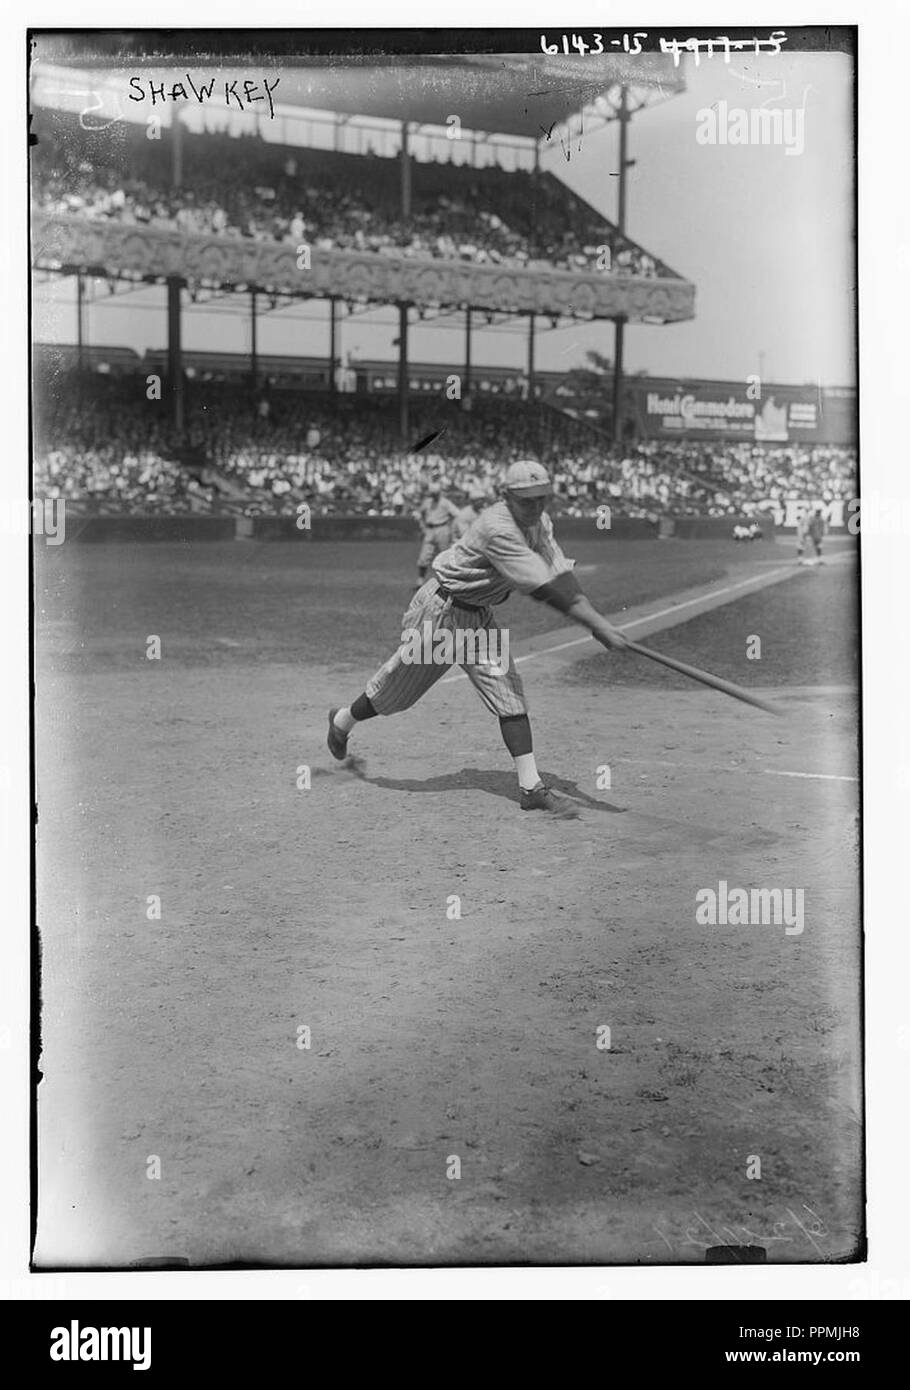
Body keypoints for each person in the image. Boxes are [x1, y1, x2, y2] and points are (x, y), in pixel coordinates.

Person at [326, 460, 628, 818]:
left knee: (509, 694)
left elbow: (560, 574)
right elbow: (544, 588)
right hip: (441, 612)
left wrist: (596, 622)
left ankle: (531, 788)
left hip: (479, 616)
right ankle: (343, 721)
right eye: (526, 500)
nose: (535, 508)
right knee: (394, 695)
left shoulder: (540, 522)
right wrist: (595, 624)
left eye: (541, 499)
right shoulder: (497, 528)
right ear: (506, 496)